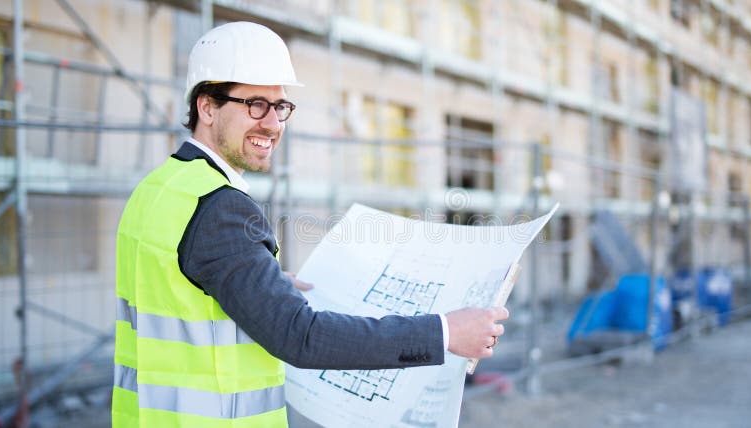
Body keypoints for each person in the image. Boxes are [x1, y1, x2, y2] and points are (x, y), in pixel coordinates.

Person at [111, 21, 508, 427]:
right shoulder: (221, 207)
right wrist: (444, 333)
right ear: (207, 106)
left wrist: (255, 280)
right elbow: (300, 336)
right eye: (255, 104)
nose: (273, 123)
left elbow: (182, 285)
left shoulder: (158, 189)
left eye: (280, 106)